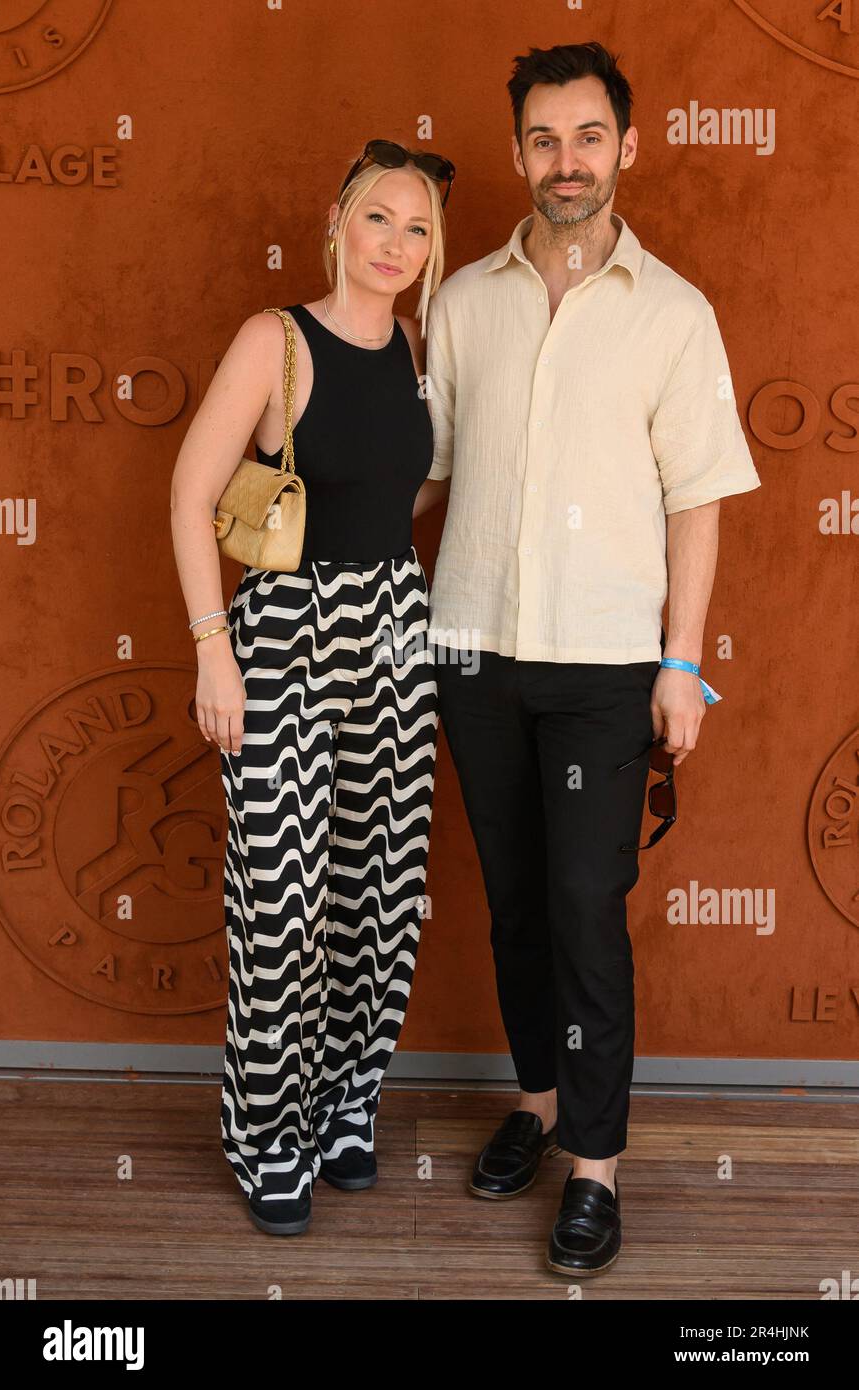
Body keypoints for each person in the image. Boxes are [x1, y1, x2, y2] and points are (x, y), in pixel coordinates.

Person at [424, 42, 762, 1275]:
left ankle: (595, 1165)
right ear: (517, 153)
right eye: (541, 140)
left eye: (585, 137)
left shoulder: (672, 314)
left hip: (607, 664)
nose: (563, 162)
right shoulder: (459, 300)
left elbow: (699, 502)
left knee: (582, 906)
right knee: (514, 901)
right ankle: (538, 1098)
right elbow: (427, 465)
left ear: (626, 146)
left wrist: (681, 664)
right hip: (469, 646)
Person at [170, 139, 455, 1235]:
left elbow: (409, 489)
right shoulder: (275, 342)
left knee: (378, 889)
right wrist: (213, 648)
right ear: (337, 219)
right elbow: (192, 494)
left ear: (431, 252)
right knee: (281, 904)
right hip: (284, 629)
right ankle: (264, 1133)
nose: (394, 243)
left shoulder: (418, 351)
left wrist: (388, 585)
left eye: (417, 228)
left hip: (393, 629)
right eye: (379, 218)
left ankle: (346, 1101)